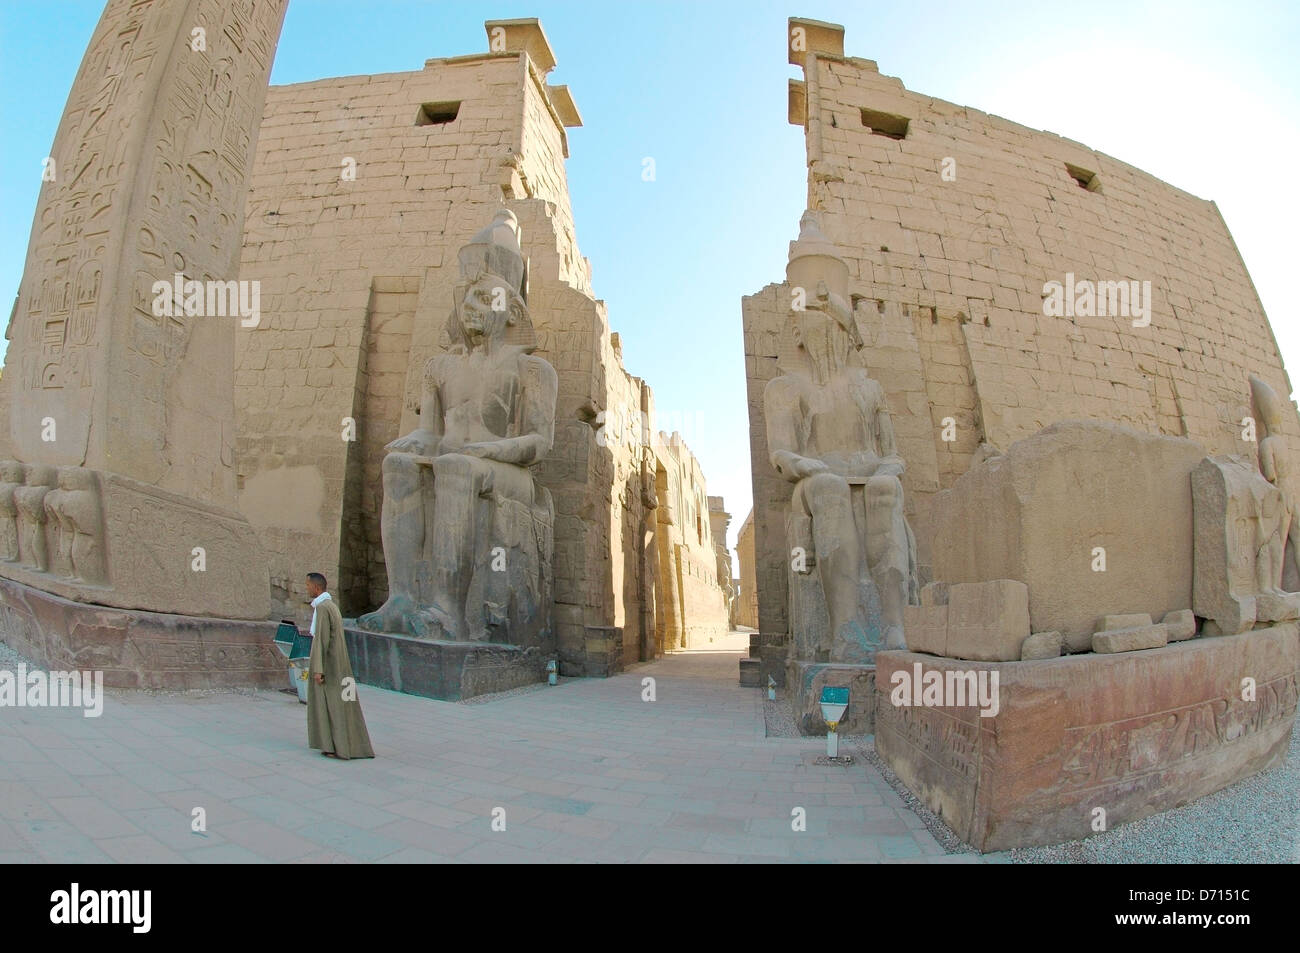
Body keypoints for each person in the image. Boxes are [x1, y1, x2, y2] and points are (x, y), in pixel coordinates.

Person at [305, 572, 374, 760]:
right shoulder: (332, 606)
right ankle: (353, 746)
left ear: (317, 588)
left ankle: (338, 748)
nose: (307, 588)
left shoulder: (322, 608)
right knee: (347, 702)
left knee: (333, 705)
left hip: (331, 667)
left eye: (308, 585)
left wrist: (318, 669)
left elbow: (321, 640)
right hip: (342, 666)